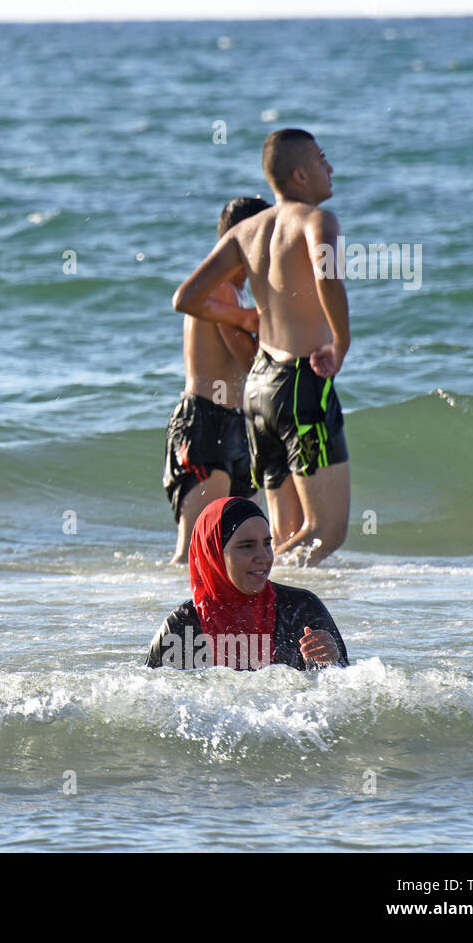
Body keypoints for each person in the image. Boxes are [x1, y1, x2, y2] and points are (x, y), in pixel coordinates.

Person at [173, 129, 350, 565]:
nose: (331, 168)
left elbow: (187, 298)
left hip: (259, 392)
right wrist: (341, 342)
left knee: (287, 532)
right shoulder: (316, 221)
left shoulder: (246, 231)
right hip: (300, 386)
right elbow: (327, 273)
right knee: (324, 534)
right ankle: (246, 581)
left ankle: (272, 622)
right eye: (323, 159)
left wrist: (245, 317)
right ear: (300, 174)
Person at [163, 196, 271, 564]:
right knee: (196, 552)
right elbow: (249, 359)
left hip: (236, 425)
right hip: (206, 422)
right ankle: (180, 623)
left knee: (239, 551)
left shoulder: (238, 290)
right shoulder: (223, 287)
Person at [145, 496, 348, 671]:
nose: (264, 556)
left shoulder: (301, 609)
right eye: (247, 546)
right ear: (214, 554)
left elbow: (344, 693)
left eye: (267, 543)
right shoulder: (182, 629)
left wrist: (333, 661)